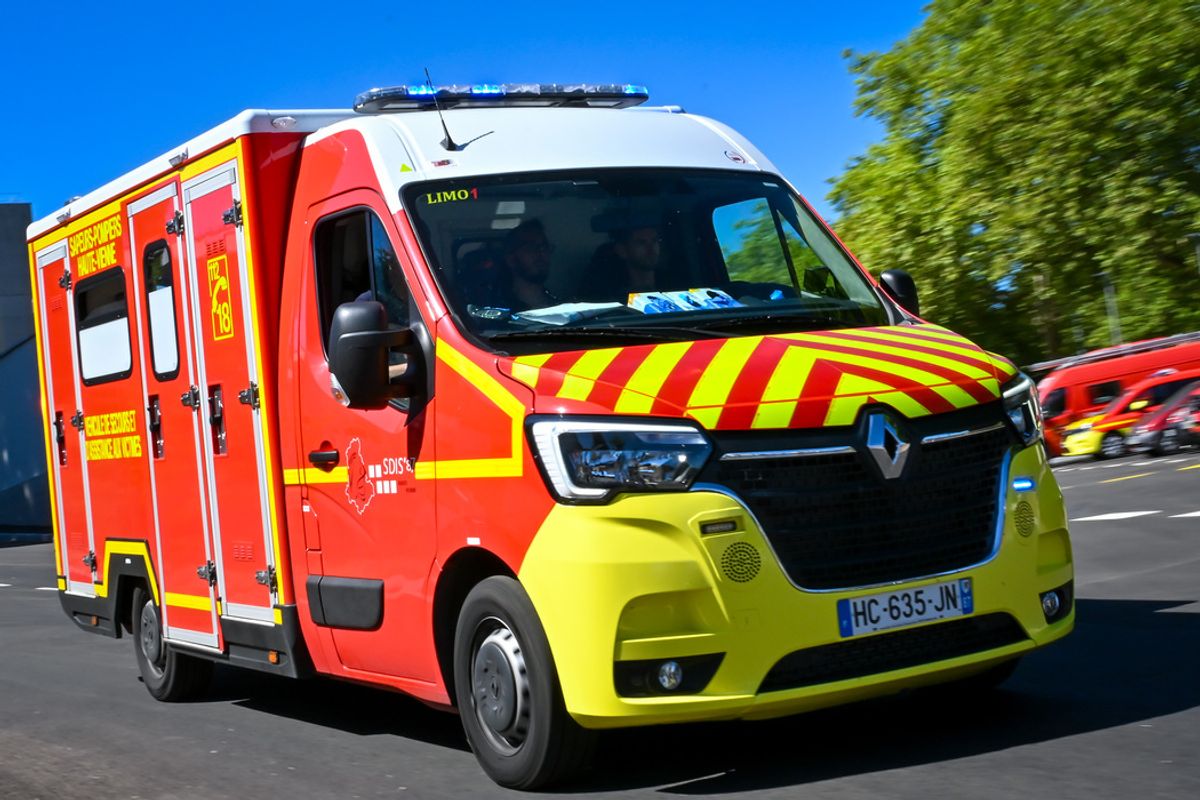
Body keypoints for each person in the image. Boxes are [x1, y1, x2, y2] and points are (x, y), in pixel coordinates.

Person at [581, 224, 664, 302]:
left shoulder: (672, 286)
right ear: (622, 251)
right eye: (641, 243)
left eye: (654, 241)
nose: (651, 249)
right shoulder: (609, 296)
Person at [496, 219, 560, 311]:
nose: (541, 253)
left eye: (544, 247)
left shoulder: (559, 305)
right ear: (511, 259)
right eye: (531, 248)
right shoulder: (500, 310)